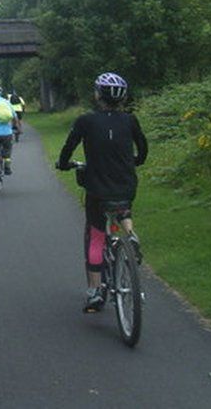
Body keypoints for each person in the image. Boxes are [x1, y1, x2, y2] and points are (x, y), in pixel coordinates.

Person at [55, 72, 148, 313]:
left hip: (97, 186)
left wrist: (64, 164)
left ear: (98, 95)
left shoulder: (86, 121)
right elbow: (143, 148)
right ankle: (131, 235)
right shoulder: (130, 120)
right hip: (125, 183)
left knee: (96, 236)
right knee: (122, 205)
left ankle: (95, 291)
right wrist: (135, 161)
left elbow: (68, 147)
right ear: (122, 97)